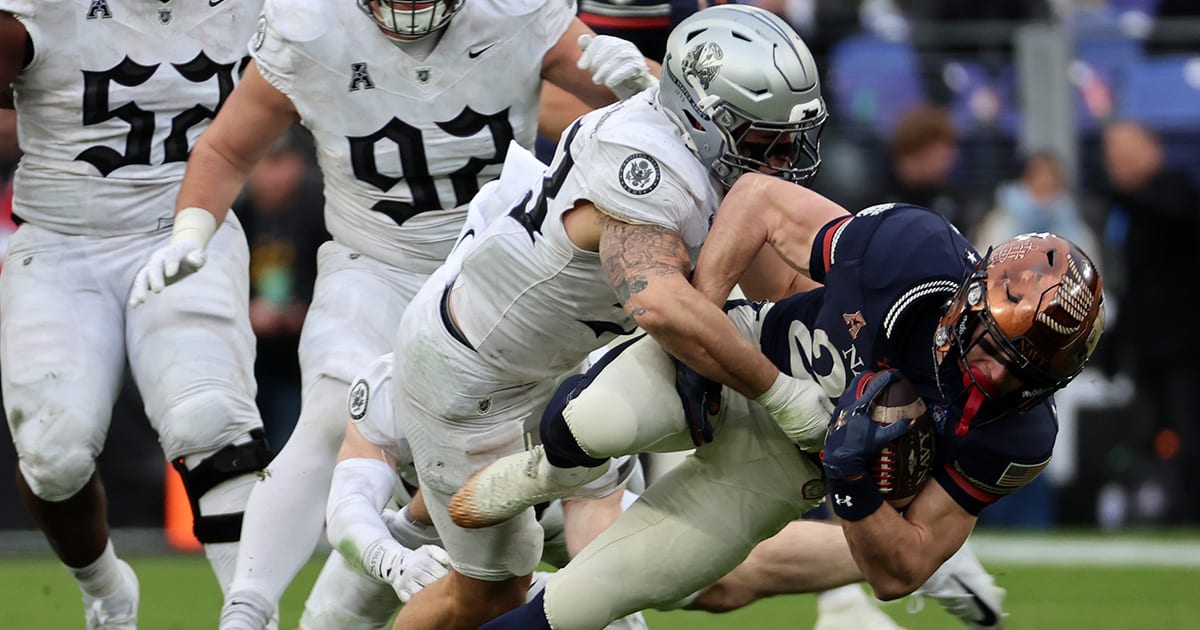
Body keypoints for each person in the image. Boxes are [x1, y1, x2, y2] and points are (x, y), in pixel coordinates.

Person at [125, 0, 657, 627]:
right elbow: (226, 149)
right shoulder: (309, 25)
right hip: (374, 263)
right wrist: (191, 231)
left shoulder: (518, 13)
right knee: (329, 415)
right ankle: (248, 609)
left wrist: (646, 92)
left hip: (505, 268)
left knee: (591, 472)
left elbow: (669, 125)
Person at [475, 172, 1105, 629]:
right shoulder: (914, 253)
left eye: (1020, 373)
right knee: (593, 421)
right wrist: (708, 313)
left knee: (581, 605)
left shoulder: (1016, 436)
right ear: (970, 298)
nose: (992, 374)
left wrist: (851, 482)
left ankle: (554, 507)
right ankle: (543, 474)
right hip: (747, 363)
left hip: (781, 474)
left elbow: (898, 572)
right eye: (991, 346)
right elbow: (757, 199)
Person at [386, 5, 830, 627]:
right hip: (474, 374)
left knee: (544, 576)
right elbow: (660, 304)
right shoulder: (644, 163)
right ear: (704, 119)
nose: (781, 161)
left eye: (790, 141)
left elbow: (783, 279)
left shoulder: (694, 143)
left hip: (550, 363)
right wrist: (780, 393)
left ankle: (524, 482)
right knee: (488, 594)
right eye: (763, 141)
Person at [0, 2, 272, 628]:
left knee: (211, 416)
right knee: (53, 453)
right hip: (62, 238)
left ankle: (251, 613)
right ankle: (106, 591)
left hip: (188, 224)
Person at [309, 350, 649, 630]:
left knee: (673, 566)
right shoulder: (391, 383)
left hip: (557, 507)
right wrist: (395, 561)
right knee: (327, 624)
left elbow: (601, 513)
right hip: (416, 522)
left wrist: (590, 594)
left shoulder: (591, 391)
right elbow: (348, 502)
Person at [1098, 120, 1200, 524]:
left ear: (1152, 149)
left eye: (1124, 155)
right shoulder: (1131, 211)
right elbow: (1135, 290)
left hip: (1188, 347)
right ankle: (1156, 510)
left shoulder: (1177, 191)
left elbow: (1177, 218)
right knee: (1147, 436)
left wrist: (1124, 196)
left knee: (1190, 432)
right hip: (1149, 349)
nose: (1115, 166)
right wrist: (1115, 347)